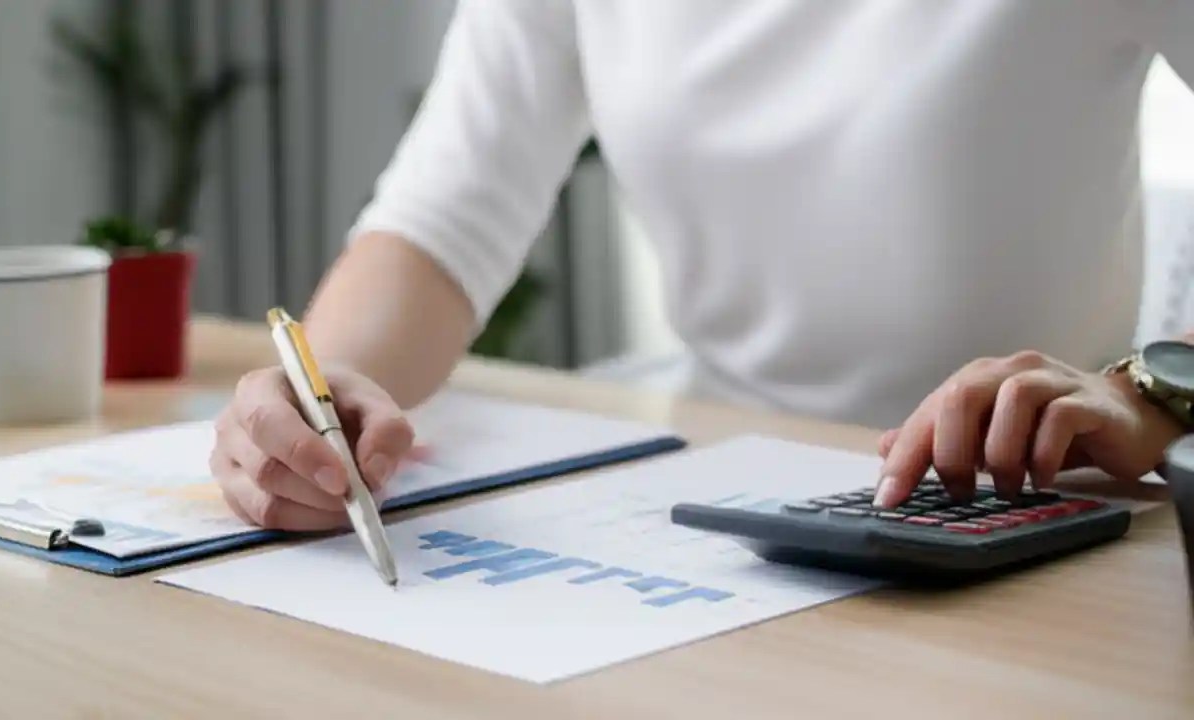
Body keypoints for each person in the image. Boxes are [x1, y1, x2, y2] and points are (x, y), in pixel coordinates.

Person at [211, 1, 1194, 531]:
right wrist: (319, 404)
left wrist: (1153, 392)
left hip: (1041, 512)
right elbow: (440, 223)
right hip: (733, 512)